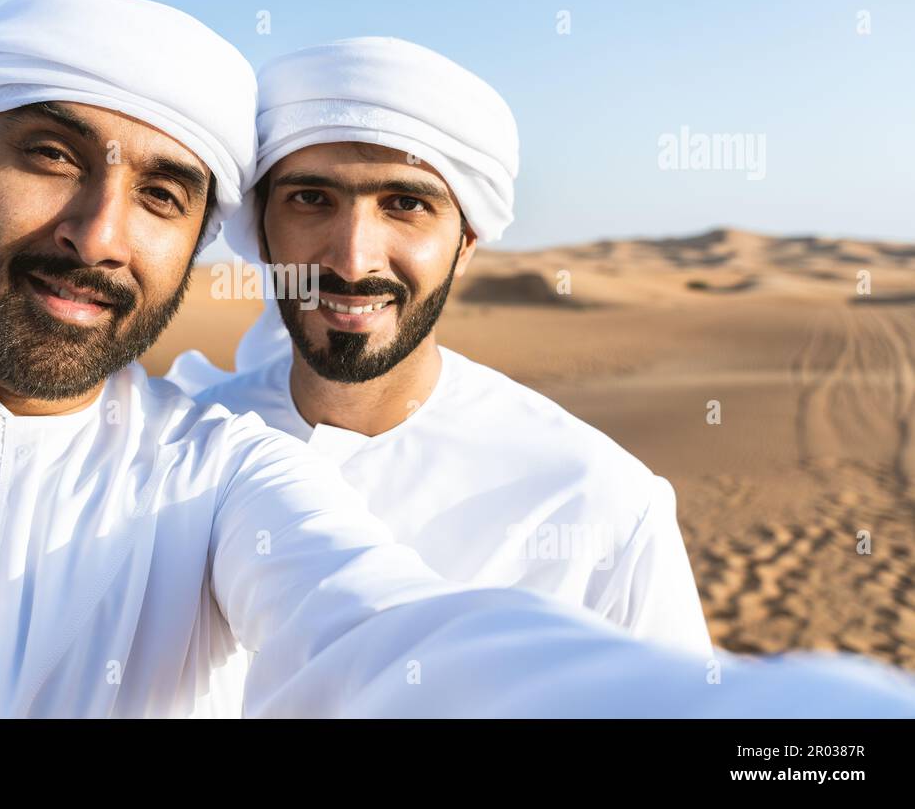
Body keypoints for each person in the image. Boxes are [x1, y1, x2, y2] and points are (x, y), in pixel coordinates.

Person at [0, 0, 914, 719]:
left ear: (470, 243)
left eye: (166, 190)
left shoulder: (218, 477)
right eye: (52, 156)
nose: (97, 235)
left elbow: (400, 636)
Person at [169, 37, 709, 717]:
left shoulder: (599, 501)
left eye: (406, 204)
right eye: (312, 198)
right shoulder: (179, 454)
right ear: (264, 229)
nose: (353, 256)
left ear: (466, 242)